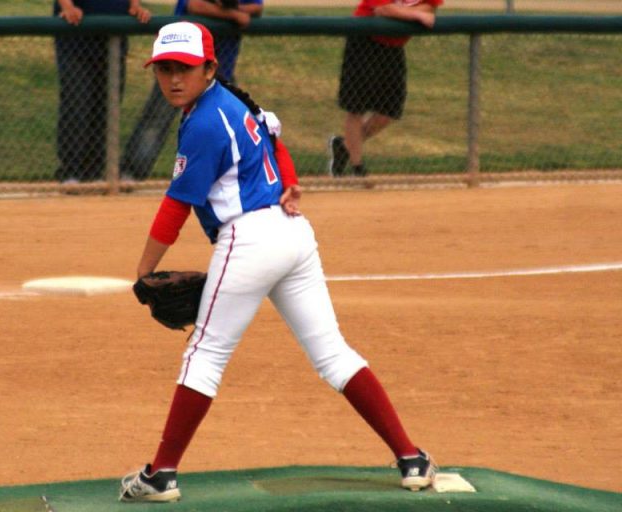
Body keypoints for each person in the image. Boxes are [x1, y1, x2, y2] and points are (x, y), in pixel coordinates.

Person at [119, 21, 437, 503]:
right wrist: (289, 182)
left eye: (183, 68)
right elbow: (274, 140)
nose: (173, 79)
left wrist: (144, 271)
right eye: (164, 69)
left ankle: (161, 474)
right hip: (294, 237)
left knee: (204, 356)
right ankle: (411, 458)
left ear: (209, 68)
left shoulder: (202, 124)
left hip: (249, 241)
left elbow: (176, 206)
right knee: (332, 354)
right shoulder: (234, 100)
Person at [119, 0, 263, 181]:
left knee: (233, 124)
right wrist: (233, 14)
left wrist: (231, 8)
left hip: (221, 68)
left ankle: (235, 174)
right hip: (179, 64)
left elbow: (257, 6)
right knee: (156, 121)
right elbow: (194, 5)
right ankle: (130, 174)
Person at [329, 0, 442, 177]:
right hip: (364, 40)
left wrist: (399, 11)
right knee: (356, 107)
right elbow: (382, 9)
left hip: (394, 46)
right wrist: (415, 14)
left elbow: (430, 8)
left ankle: (344, 146)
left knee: (390, 111)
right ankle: (357, 167)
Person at [53, 0, 151, 183]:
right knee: (77, 102)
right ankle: (71, 172)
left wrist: (135, 5)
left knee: (108, 105)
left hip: (113, 31)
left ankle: (98, 170)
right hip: (76, 33)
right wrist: (67, 6)